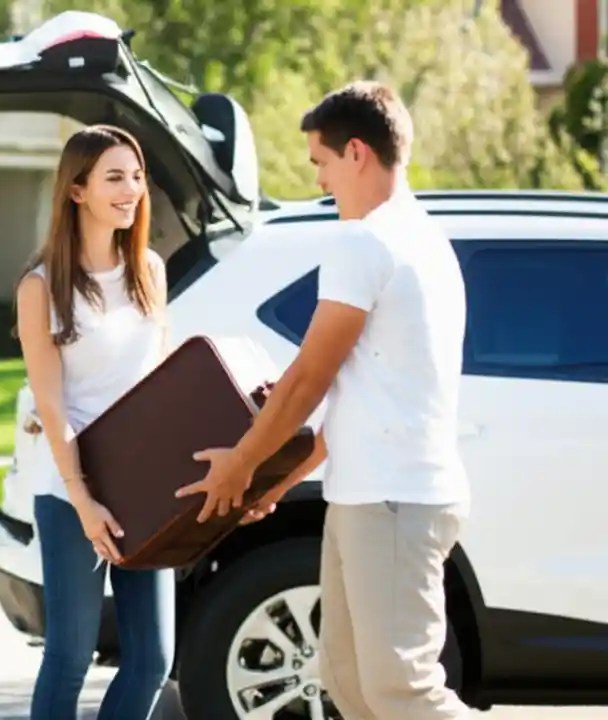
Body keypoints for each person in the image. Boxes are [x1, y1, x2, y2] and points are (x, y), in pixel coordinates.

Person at [177, 81, 472, 719]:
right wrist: (281, 480)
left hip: (393, 499)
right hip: (370, 494)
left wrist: (243, 463)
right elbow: (357, 398)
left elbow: (309, 376)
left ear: (358, 153)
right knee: (351, 688)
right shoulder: (425, 241)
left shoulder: (364, 243)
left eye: (322, 162)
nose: (320, 181)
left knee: (401, 691)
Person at [15, 124, 172, 720]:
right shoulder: (41, 288)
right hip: (70, 490)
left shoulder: (149, 271)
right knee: (71, 655)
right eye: (114, 177)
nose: (131, 189)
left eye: (135, 176)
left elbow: (158, 384)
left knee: (153, 657)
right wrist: (83, 501)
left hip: (144, 490)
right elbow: (51, 405)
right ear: (76, 190)